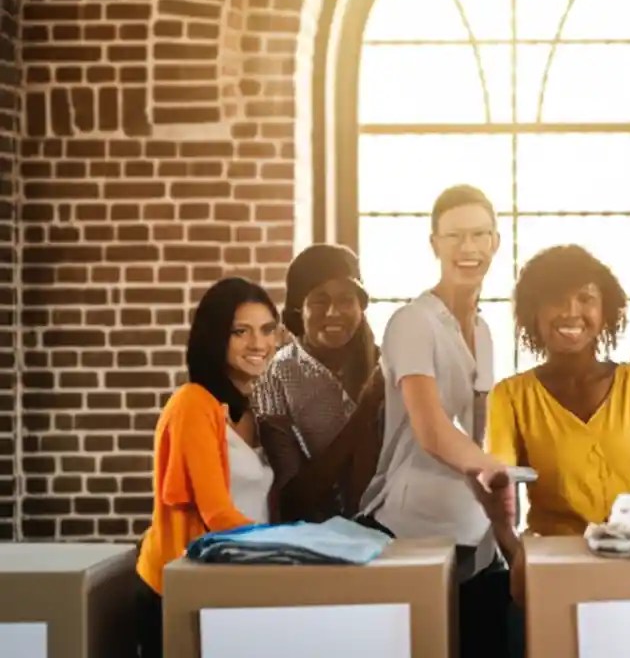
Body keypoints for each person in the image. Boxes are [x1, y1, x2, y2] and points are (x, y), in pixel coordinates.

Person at [358, 185, 515, 658]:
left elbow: (480, 426)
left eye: (480, 234)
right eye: (455, 236)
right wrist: (489, 466)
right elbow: (430, 428)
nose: (469, 248)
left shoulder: (485, 331)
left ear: (495, 242)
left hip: (476, 531)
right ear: (434, 244)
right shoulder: (411, 322)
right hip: (413, 527)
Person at [134, 277, 280, 658]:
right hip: (185, 588)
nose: (259, 344)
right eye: (240, 332)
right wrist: (288, 546)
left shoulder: (253, 408)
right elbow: (216, 512)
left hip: (236, 581)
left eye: (267, 330)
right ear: (216, 337)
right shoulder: (192, 403)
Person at [485, 244, 630, 539]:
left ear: (605, 310)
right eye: (556, 299)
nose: (571, 312)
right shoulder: (510, 396)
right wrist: (515, 555)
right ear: (534, 311)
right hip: (551, 563)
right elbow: (499, 489)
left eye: (585, 299)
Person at [252, 244, 384, 523]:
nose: (334, 312)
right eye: (320, 301)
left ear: (361, 307)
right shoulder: (276, 376)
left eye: (347, 299)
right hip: (317, 534)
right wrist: (367, 408)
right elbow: (292, 497)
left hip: (395, 528)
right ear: (299, 308)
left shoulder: (388, 366)